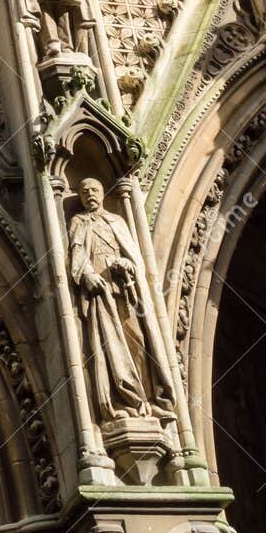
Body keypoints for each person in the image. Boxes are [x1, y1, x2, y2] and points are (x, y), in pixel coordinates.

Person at [67, 178, 174, 423]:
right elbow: (77, 253)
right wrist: (87, 275)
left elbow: (134, 257)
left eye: (94, 190)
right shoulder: (79, 222)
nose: (89, 194)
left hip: (126, 290)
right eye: (84, 192)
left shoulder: (117, 221)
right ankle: (127, 400)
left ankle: (149, 398)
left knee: (138, 341)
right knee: (112, 345)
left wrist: (128, 265)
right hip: (102, 295)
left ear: (103, 193)